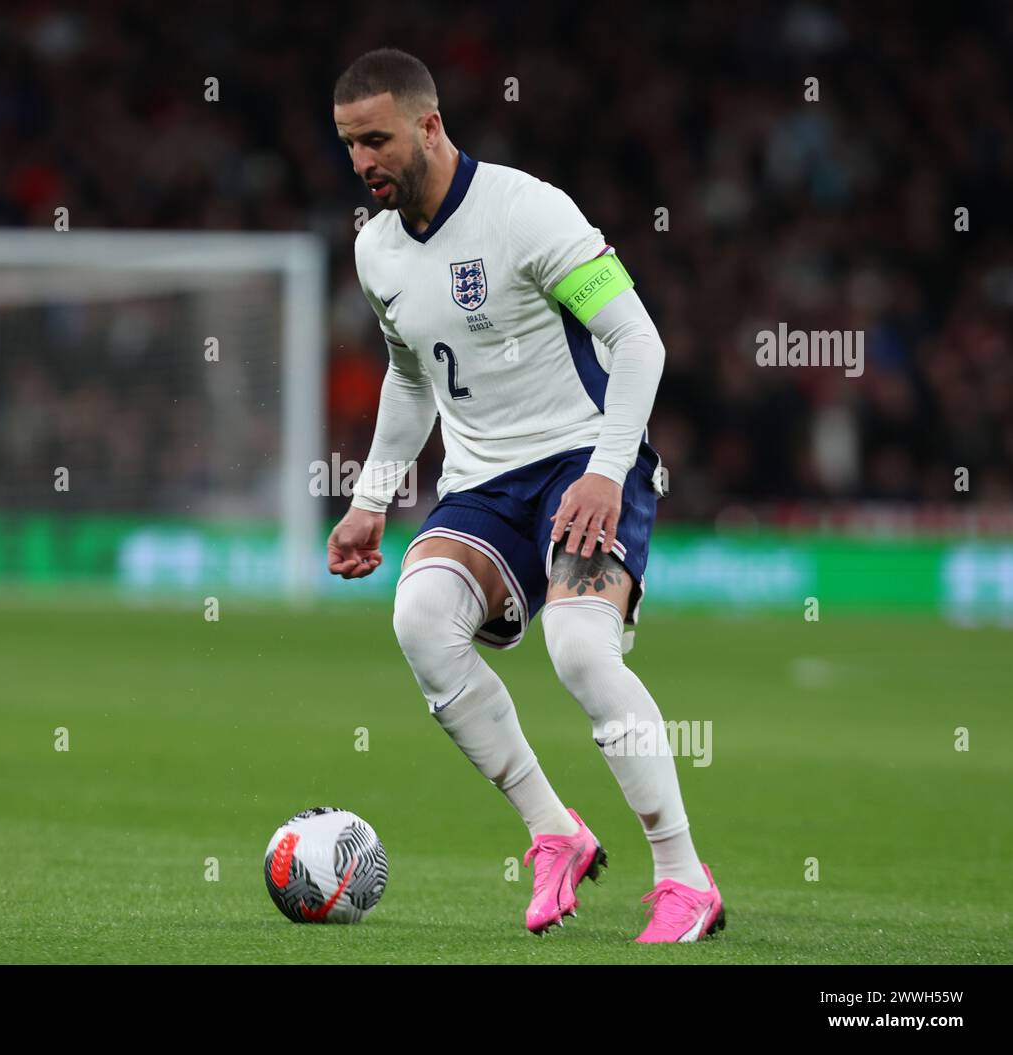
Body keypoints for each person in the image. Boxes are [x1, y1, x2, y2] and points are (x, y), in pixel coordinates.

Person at [327, 47, 725, 943]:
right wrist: (373, 496)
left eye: (378, 140)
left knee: (581, 652)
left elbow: (638, 341)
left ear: (430, 124)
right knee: (420, 619)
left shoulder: (527, 211)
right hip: (482, 483)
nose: (363, 163)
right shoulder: (376, 250)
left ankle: (683, 876)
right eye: (350, 145)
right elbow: (406, 376)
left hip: (585, 454)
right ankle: (555, 830)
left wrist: (606, 469)